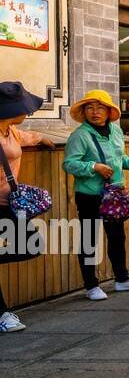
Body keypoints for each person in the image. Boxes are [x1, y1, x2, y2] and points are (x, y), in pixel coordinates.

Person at [63, 90, 129, 299]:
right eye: (90, 108)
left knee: (117, 237)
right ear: (84, 112)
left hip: (114, 194)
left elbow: (118, 159)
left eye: (100, 108)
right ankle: (91, 286)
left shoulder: (116, 131)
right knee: (89, 239)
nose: (95, 112)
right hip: (90, 195)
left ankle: (122, 280)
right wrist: (94, 167)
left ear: (109, 111)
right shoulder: (80, 135)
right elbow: (69, 164)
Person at [0, 82, 56, 333]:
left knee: (32, 245)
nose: (29, 113)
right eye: (26, 109)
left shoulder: (9, 130)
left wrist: (41, 137)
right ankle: (2, 314)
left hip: (9, 203)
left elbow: (26, 136)